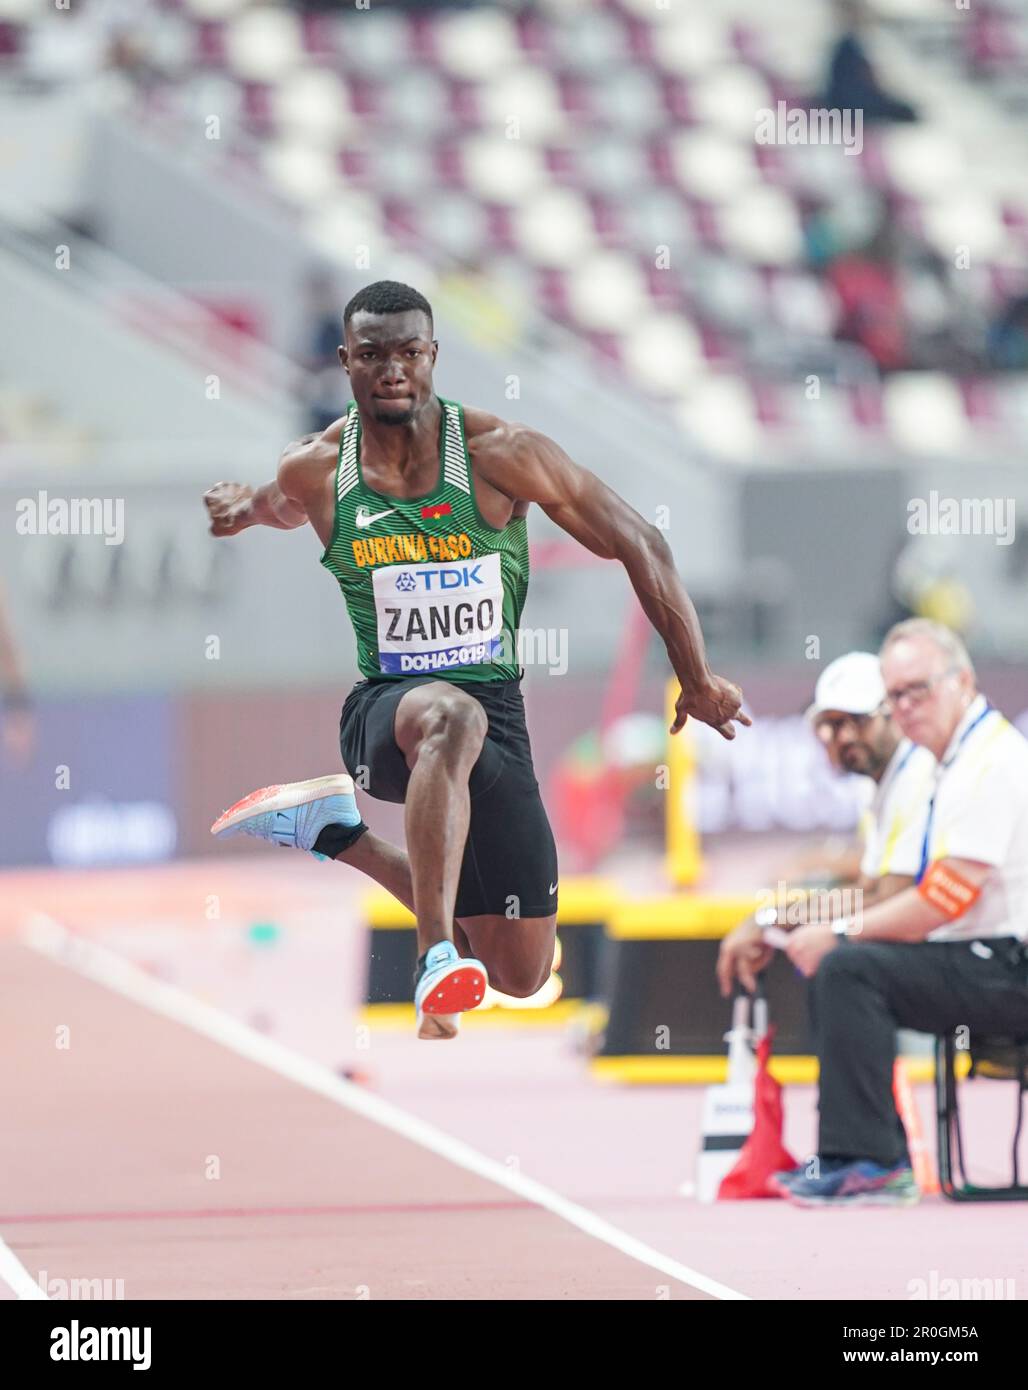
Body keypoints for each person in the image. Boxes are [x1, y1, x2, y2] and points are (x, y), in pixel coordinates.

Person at [204, 280, 749, 1040]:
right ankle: (432, 959)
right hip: (384, 715)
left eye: (407, 353)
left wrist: (696, 676)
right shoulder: (319, 468)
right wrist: (240, 509)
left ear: (433, 355)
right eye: (371, 356)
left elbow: (639, 540)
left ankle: (336, 832)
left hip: (497, 718)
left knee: (520, 973)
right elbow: (274, 504)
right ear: (345, 362)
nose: (391, 369)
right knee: (444, 717)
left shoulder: (501, 455)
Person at [780, 619, 1028, 1207]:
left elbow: (938, 899)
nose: (907, 706)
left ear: (962, 680)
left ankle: (872, 1159)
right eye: (895, 695)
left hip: (1007, 964)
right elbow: (886, 891)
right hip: (977, 954)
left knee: (849, 968)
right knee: (848, 964)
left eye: (919, 690)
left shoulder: (988, 762)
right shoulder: (942, 764)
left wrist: (829, 928)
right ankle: (857, 1153)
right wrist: (790, 917)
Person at [717, 650, 935, 999]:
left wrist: (772, 918)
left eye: (858, 720)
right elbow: (869, 884)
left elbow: (884, 896)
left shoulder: (917, 777)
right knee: (828, 954)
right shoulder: (879, 785)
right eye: (831, 725)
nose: (844, 737)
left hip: (983, 954)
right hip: (945, 945)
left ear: (894, 714)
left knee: (835, 963)